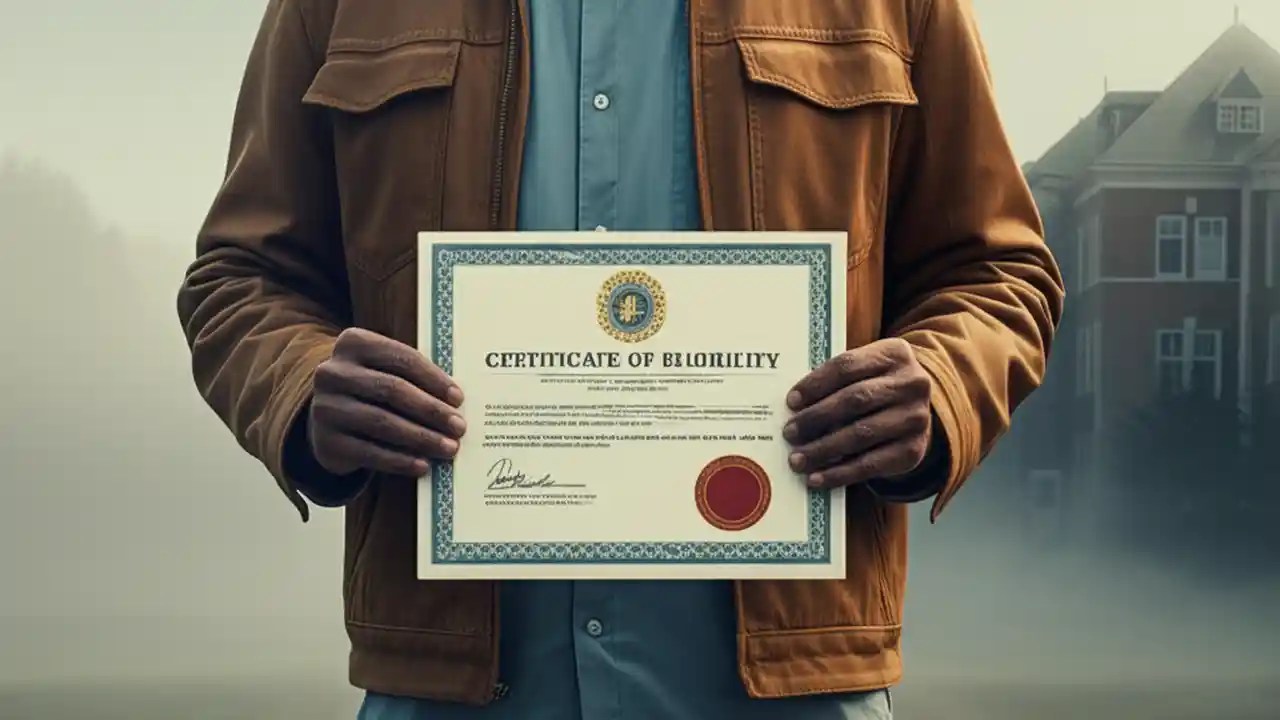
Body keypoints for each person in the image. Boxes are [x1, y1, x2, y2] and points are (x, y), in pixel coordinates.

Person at [177, 0, 1064, 717]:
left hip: (792, 686)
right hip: (451, 688)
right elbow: (241, 276)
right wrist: (300, 387)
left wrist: (941, 382)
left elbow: (998, 272)